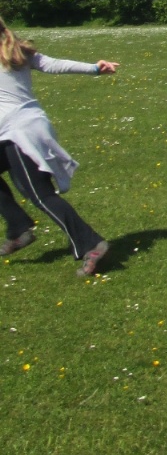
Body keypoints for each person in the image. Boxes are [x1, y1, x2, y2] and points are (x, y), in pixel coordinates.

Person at [0, 17, 118, 278]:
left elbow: (51, 65)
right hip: (27, 126)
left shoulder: (13, 52)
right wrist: (94, 68)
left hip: (18, 134)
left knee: (41, 196)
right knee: (38, 193)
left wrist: (94, 69)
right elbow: (52, 64)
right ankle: (18, 228)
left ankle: (92, 244)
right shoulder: (16, 50)